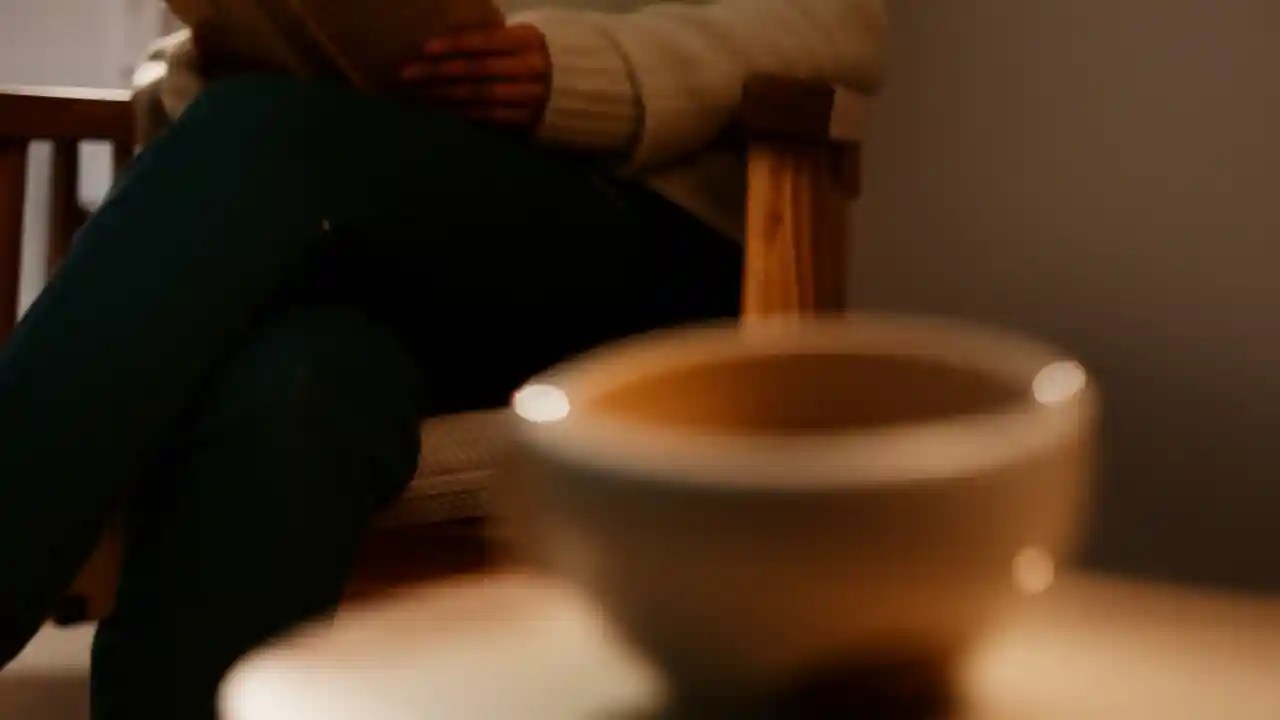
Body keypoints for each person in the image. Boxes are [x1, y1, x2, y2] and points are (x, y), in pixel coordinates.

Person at [0, 1, 885, 717]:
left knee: (258, 139)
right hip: (375, 210)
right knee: (291, 386)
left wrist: (575, 70)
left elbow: (841, 25)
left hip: (631, 230)